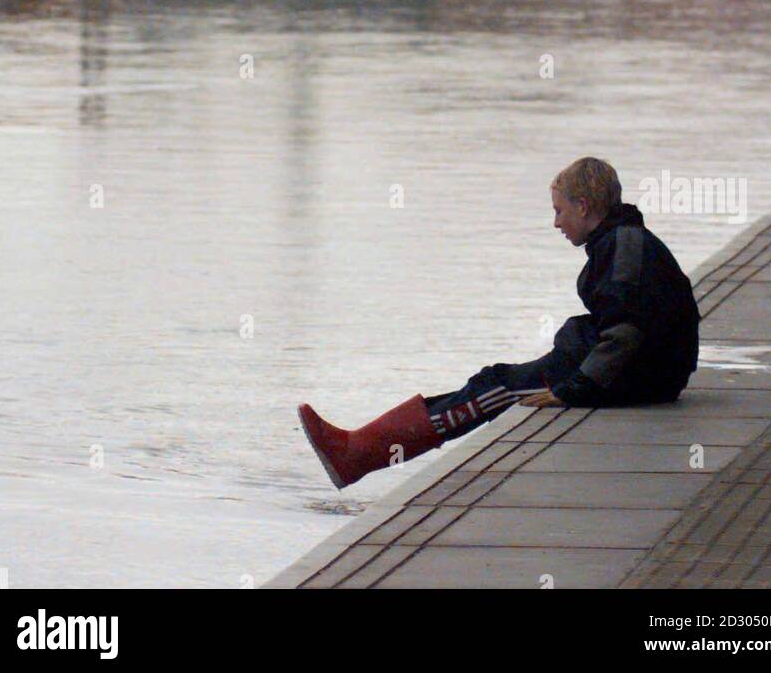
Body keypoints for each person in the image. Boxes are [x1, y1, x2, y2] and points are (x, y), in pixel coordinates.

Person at [298, 156, 701, 489]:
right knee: (493, 380)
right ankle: (357, 449)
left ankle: (357, 456)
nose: (556, 223)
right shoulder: (622, 240)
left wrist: (574, 390)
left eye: (559, 211)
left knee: (498, 387)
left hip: (641, 377)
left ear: (583, 206)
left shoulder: (622, 247)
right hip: (647, 372)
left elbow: (626, 331)